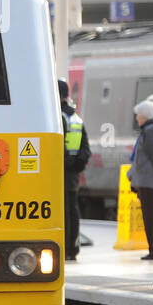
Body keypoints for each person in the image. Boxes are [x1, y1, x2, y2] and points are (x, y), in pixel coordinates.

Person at [61, 79, 91, 261]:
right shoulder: (76, 118)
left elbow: (56, 145)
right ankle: (73, 249)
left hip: (59, 172)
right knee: (73, 209)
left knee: (62, 211)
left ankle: (63, 249)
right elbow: (85, 148)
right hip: (73, 174)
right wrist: (77, 164)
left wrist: (65, 162)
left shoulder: (57, 117)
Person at [129, 99, 153, 261]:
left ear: (145, 116)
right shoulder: (152, 129)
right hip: (149, 181)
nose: (136, 118)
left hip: (150, 183)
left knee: (152, 217)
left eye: (138, 115)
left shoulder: (150, 130)